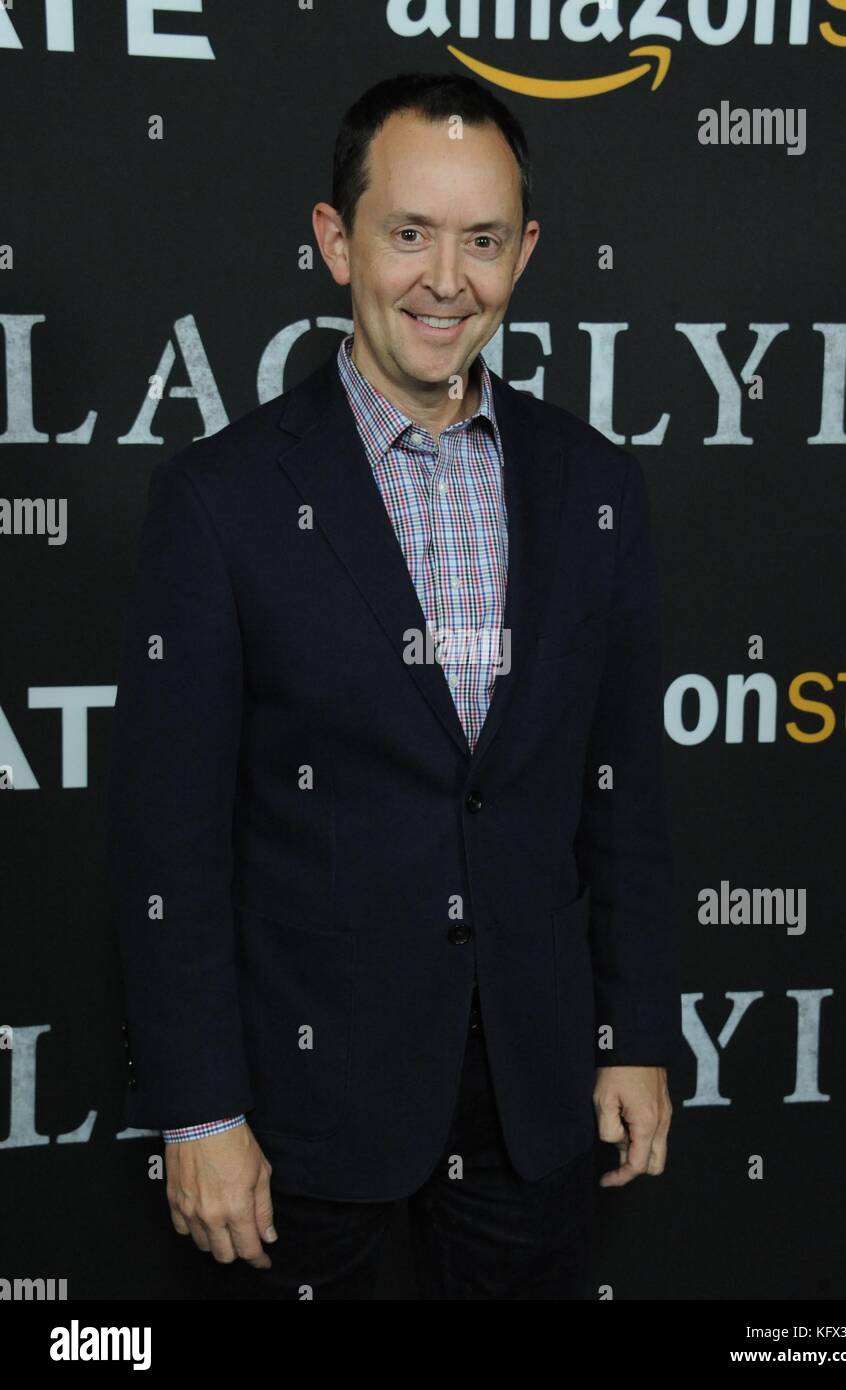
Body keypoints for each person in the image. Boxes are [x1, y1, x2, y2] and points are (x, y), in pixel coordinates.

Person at [106, 70, 680, 1301]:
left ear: (523, 254)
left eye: (481, 240)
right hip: (307, 1113)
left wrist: (632, 1035)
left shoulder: (597, 487)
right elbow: (170, 843)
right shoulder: (219, 501)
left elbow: (624, 796)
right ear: (336, 241)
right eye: (408, 232)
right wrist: (200, 1110)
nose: (444, 277)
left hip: (535, 1106)